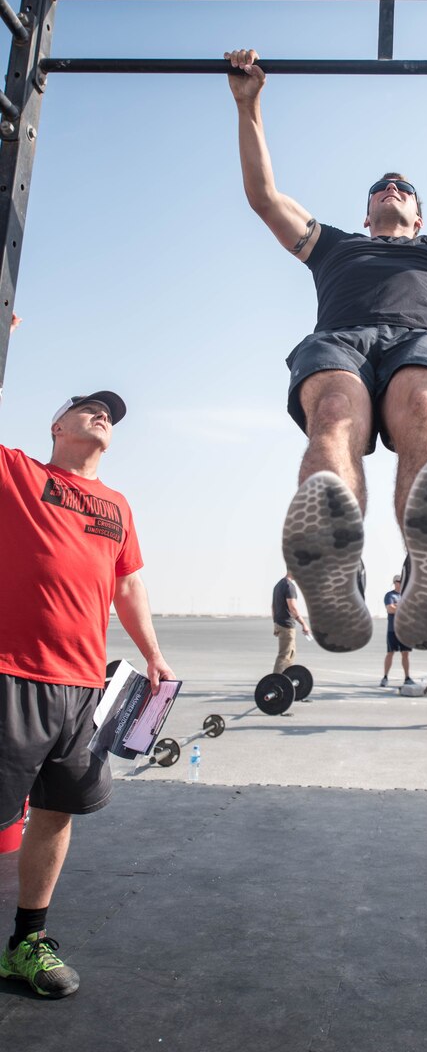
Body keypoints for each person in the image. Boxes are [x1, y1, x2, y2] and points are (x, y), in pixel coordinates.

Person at [225, 44, 427, 654]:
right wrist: (248, 105)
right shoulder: (333, 245)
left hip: (413, 345)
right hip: (341, 343)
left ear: (418, 217)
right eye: (380, 188)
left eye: (403, 188)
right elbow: (265, 197)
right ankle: (336, 573)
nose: (391, 188)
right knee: (335, 412)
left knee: (424, 402)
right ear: (368, 213)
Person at [0, 390, 175, 999]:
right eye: (88, 408)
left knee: (57, 811)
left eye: (110, 414)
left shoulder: (118, 505)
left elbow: (128, 587)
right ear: (56, 425)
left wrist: (153, 655)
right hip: (12, 673)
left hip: (84, 686)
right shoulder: (17, 472)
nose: (103, 415)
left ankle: (27, 942)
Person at [271, 569, 310, 674]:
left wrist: (275, 623)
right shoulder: (289, 586)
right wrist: (304, 624)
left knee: (289, 655)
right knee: (284, 655)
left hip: (280, 624)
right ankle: (276, 681)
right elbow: (293, 609)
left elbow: (273, 607)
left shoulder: (278, 585)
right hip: (286, 626)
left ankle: (285, 680)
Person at [381, 574, 414, 687]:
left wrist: (398, 607)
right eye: (398, 581)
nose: (399, 583)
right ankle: (385, 677)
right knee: (390, 653)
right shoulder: (390, 595)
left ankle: (407, 677)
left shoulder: (408, 596)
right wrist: (403, 608)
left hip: (405, 630)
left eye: (401, 581)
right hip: (393, 629)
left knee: (405, 654)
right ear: (394, 582)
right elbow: (390, 609)